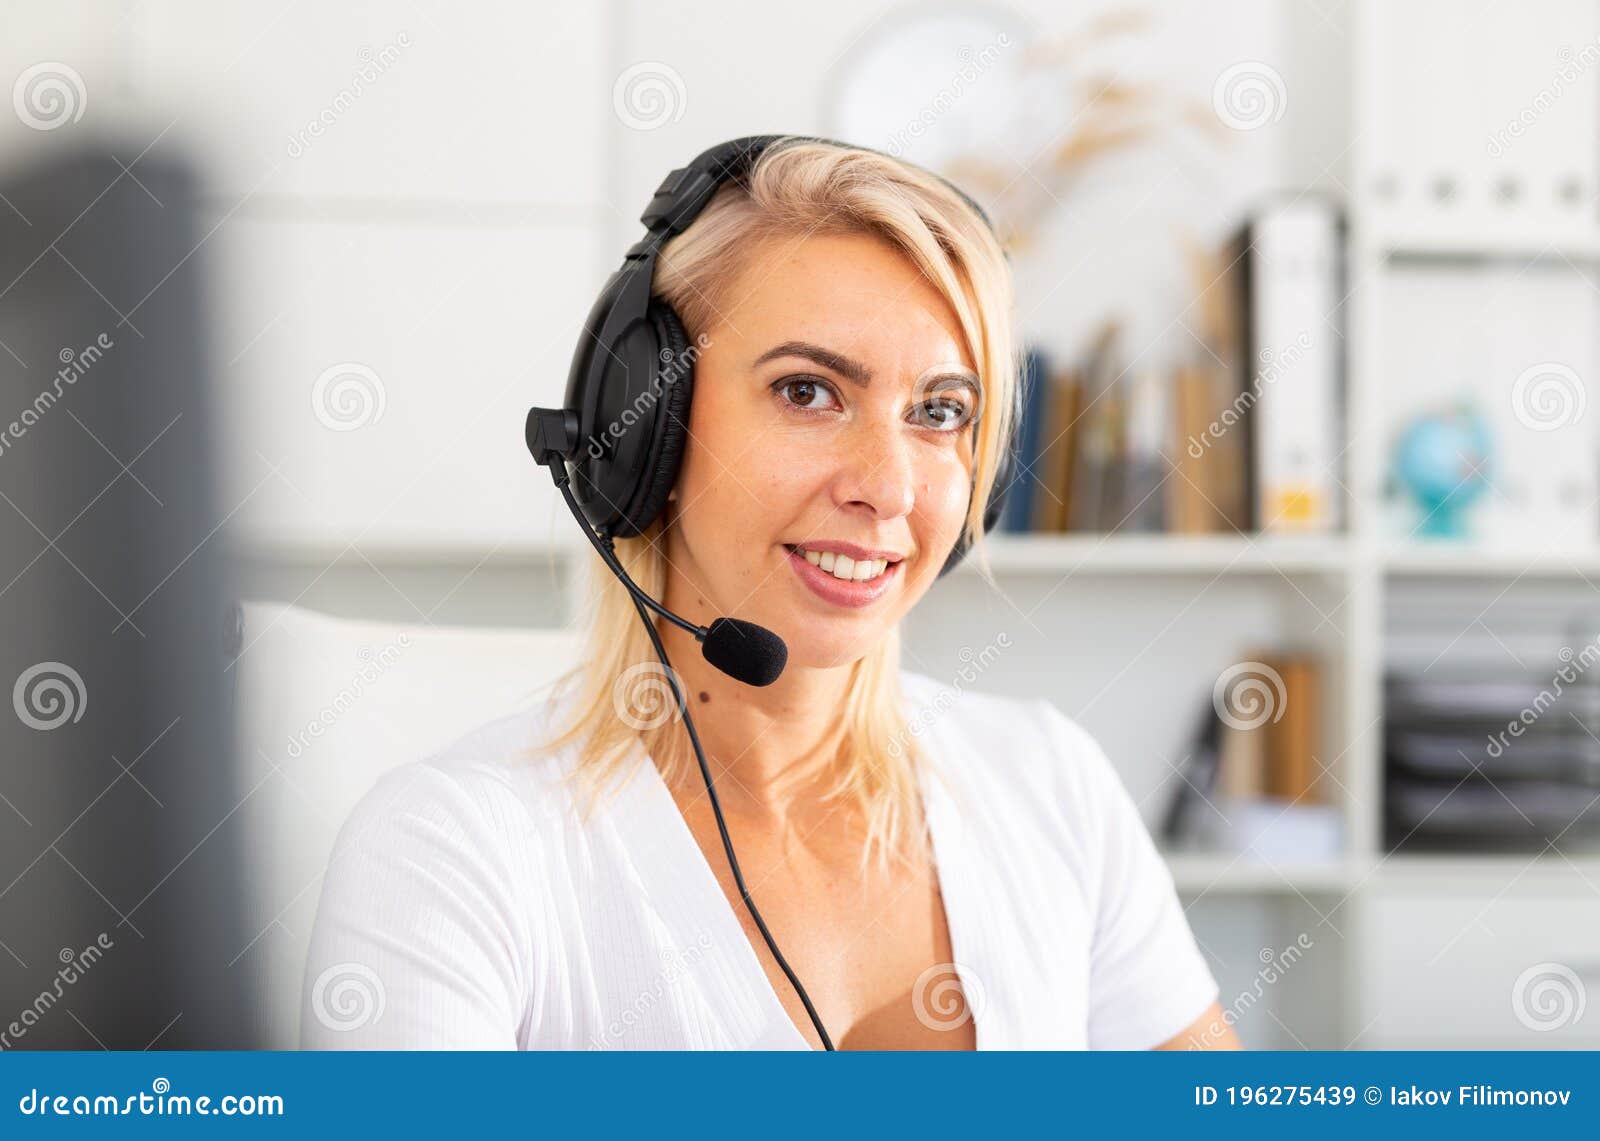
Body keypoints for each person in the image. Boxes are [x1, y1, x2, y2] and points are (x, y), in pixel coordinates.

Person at [300, 137, 1235, 1051]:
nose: (890, 486)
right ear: (646, 427)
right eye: (808, 391)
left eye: (940, 411)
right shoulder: (451, 852)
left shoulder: (1047, 781)